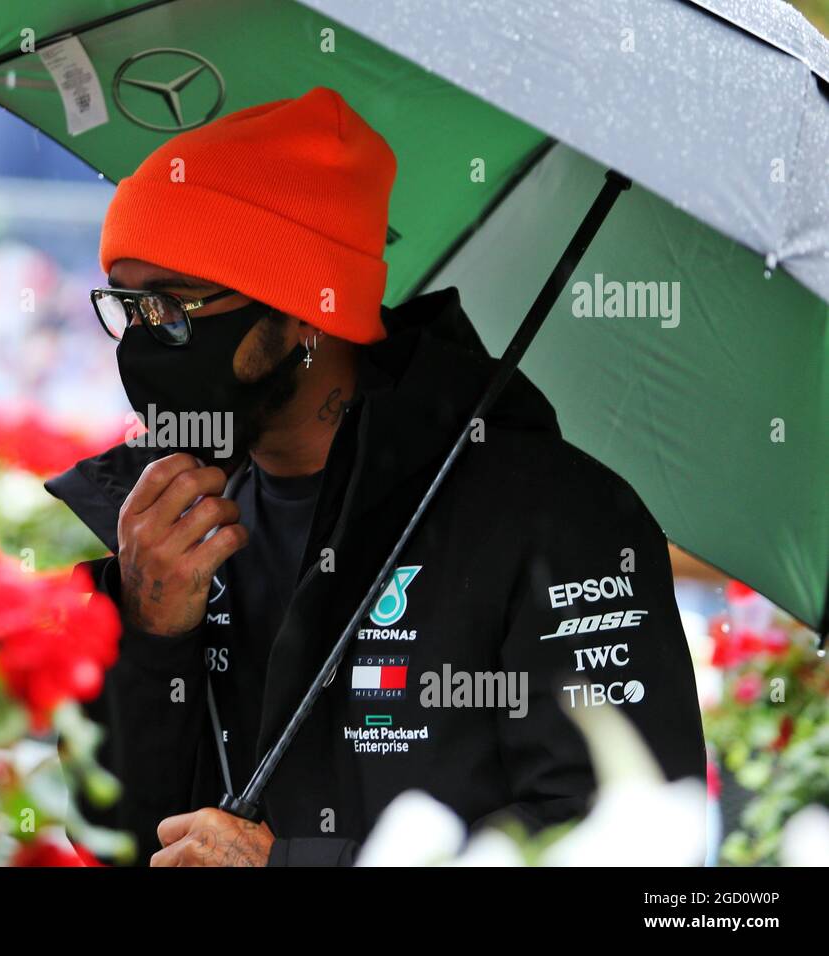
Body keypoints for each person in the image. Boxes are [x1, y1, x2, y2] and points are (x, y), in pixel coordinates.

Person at [47, 87, 704, 867]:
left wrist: (292, 864)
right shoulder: (176, 532)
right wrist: (152, 638)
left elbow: (628, 845)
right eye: (126, 306)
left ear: (305, 313)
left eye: (174, 309)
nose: (142, 346)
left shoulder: (557, 514)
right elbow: (119, 839)